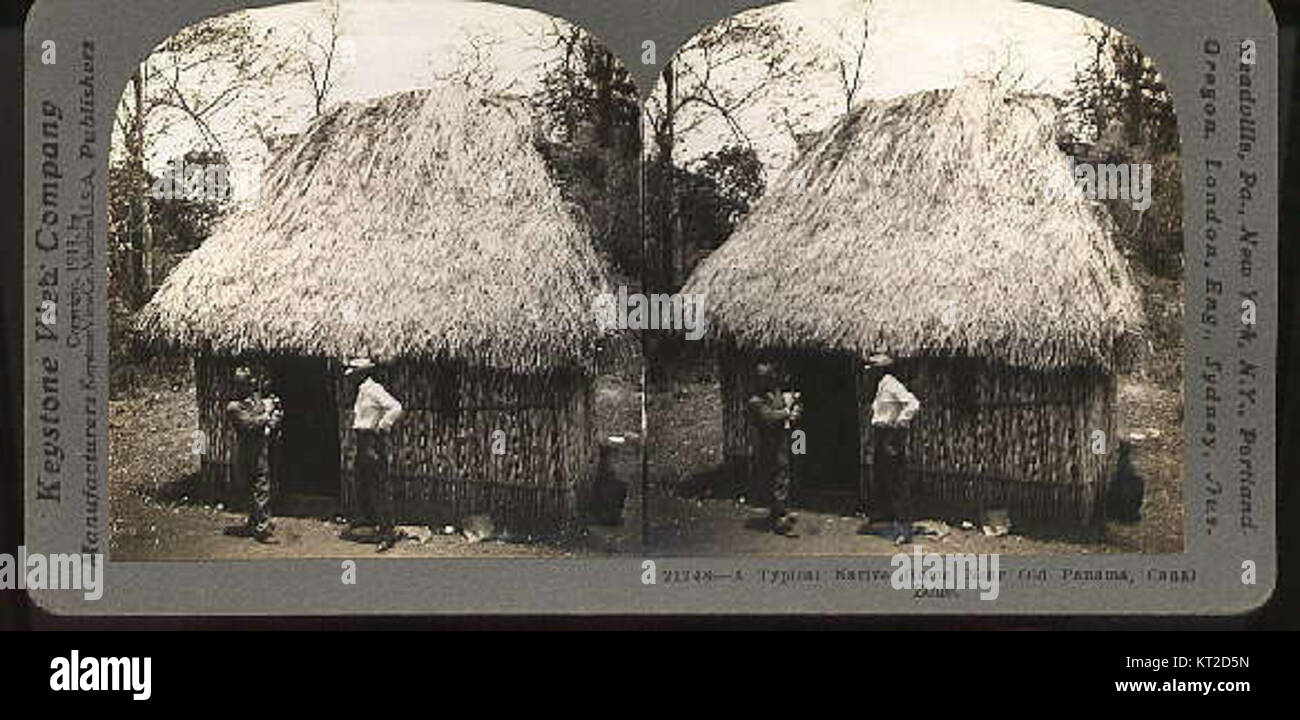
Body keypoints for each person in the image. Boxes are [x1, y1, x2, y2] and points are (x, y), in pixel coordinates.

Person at [344, 357, 404, 552]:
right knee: (364, 483)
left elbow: (396, 407)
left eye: (354, 374)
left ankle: (388, 533)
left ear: (362, 373)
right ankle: (372, 525)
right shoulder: (362, 391)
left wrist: (382, 426)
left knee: (380, 486)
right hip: (363, 440)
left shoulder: (374, 389)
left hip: (372, 440)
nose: (351, 378)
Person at [864, 353, 921, 545]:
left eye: (873, 370)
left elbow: (913, 403)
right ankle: (890, 523)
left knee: (897, 481)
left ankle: (904, 530)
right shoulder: (882, 386)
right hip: (882, 435)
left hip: (889, 435)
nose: (870, 374)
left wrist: (900, 422)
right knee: (884, 478)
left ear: (881, 370)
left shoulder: (891, 384)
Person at [226, 366, 283, 544]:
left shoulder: (255, 400)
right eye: (242, 384)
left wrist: (275, 418)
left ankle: (259, 524)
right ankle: (261, 528)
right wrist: (267, 415)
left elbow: (267, 420)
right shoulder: (234, 407)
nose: (247, 387)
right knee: (252, 488)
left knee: (261, 488)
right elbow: (250, 424)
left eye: (248, 383)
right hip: (246, 452)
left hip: (260, 450)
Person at [746, 362, 802, 536]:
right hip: (767, 445)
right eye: (763, 378)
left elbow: (783, 409)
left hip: (781, 440)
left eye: (768, 377)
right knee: (775, 477)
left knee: (783, 473)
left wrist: (794, 411)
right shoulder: (755, 401)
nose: (767, 381)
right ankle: (779, 519)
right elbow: (769, 417)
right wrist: (787, 413)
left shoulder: (774, 393)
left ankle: (780, 511)